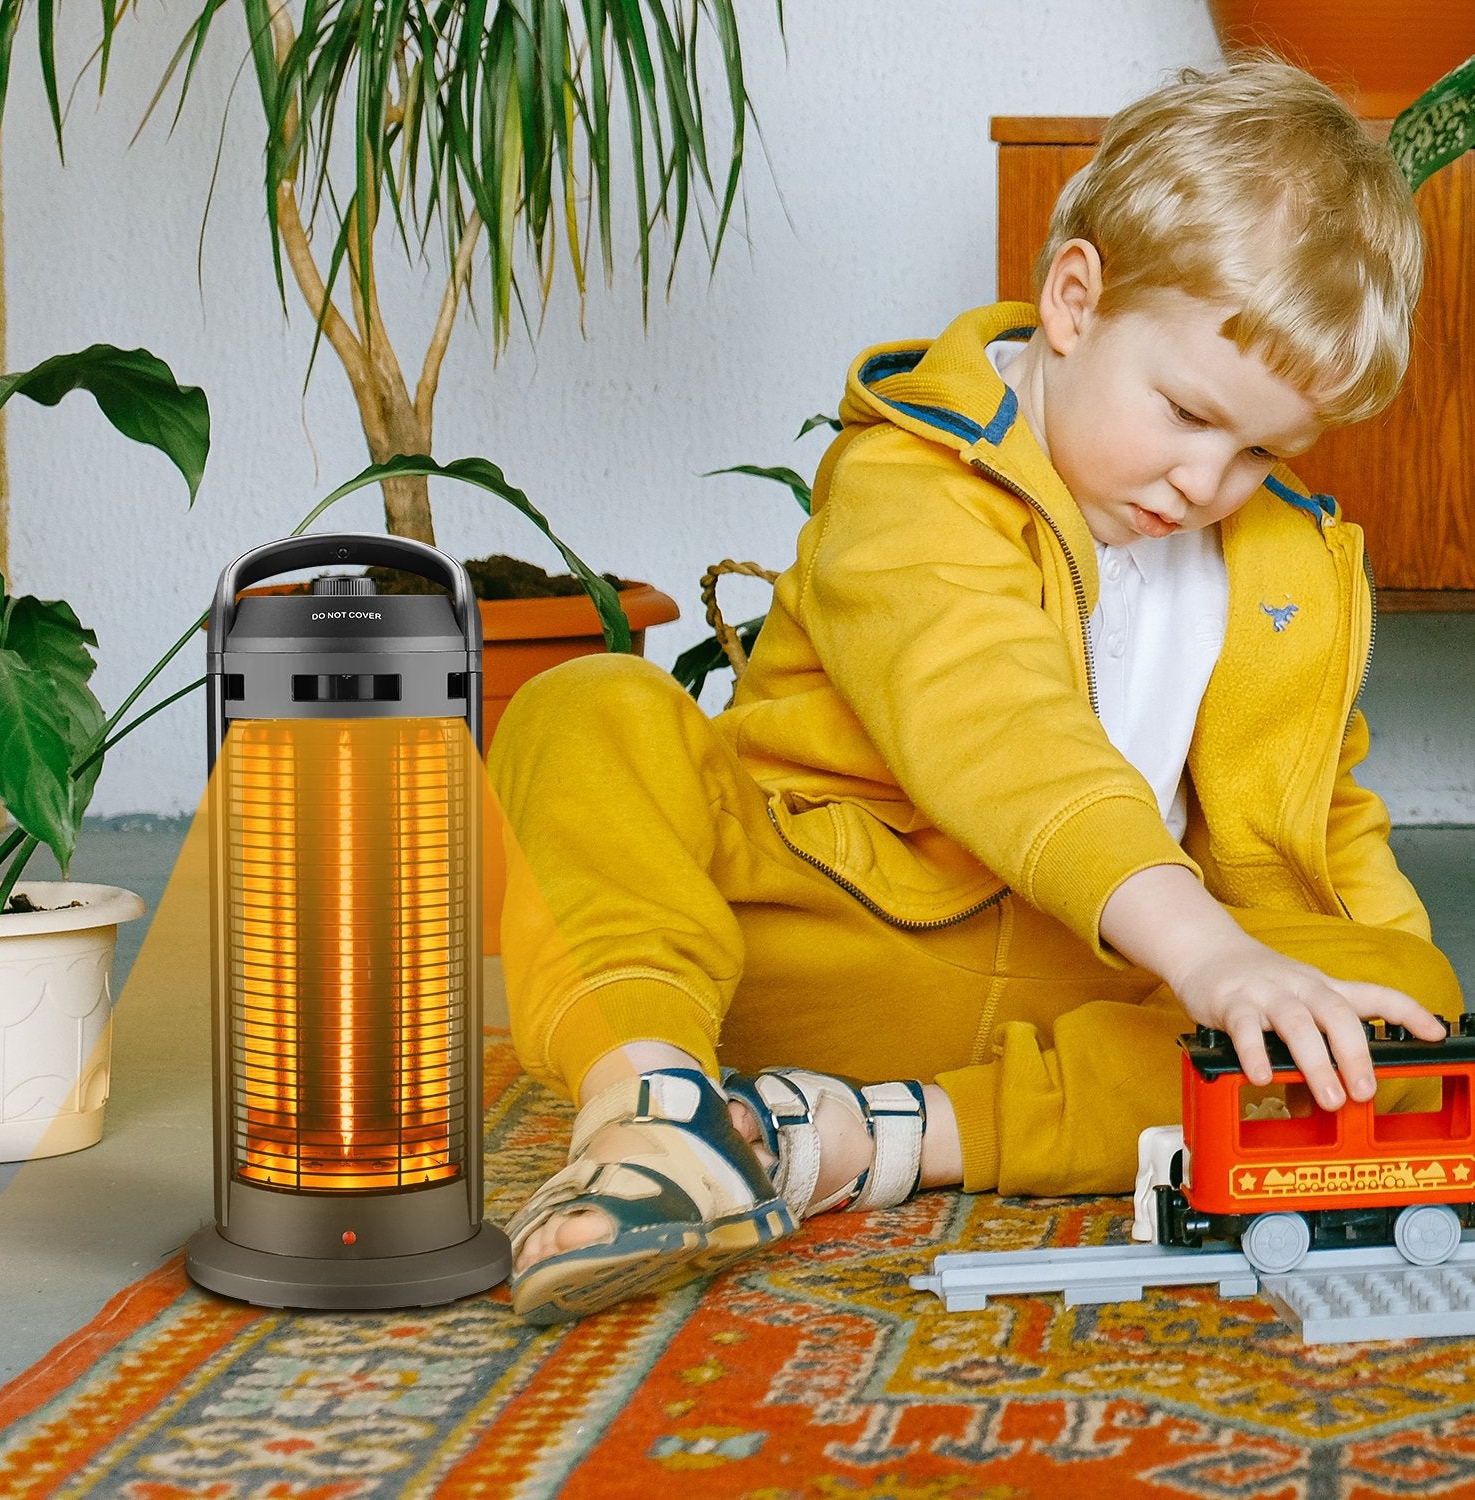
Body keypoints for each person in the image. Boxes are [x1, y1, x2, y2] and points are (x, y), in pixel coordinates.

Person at [488, 57, 1462, 1325]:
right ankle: (658, 1107)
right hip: (821, 935)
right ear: (1074, 301)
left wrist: (1407, 1032)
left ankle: (868, 1137)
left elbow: (1324, 816)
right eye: (1184, 412)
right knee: (586, 707)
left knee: (1399, 1006)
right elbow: (1001, 729)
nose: (1205, 481)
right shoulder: (910, 478)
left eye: (1263, 449)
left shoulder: (1283, 562)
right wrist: (1210, 952)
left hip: (1080, 991)